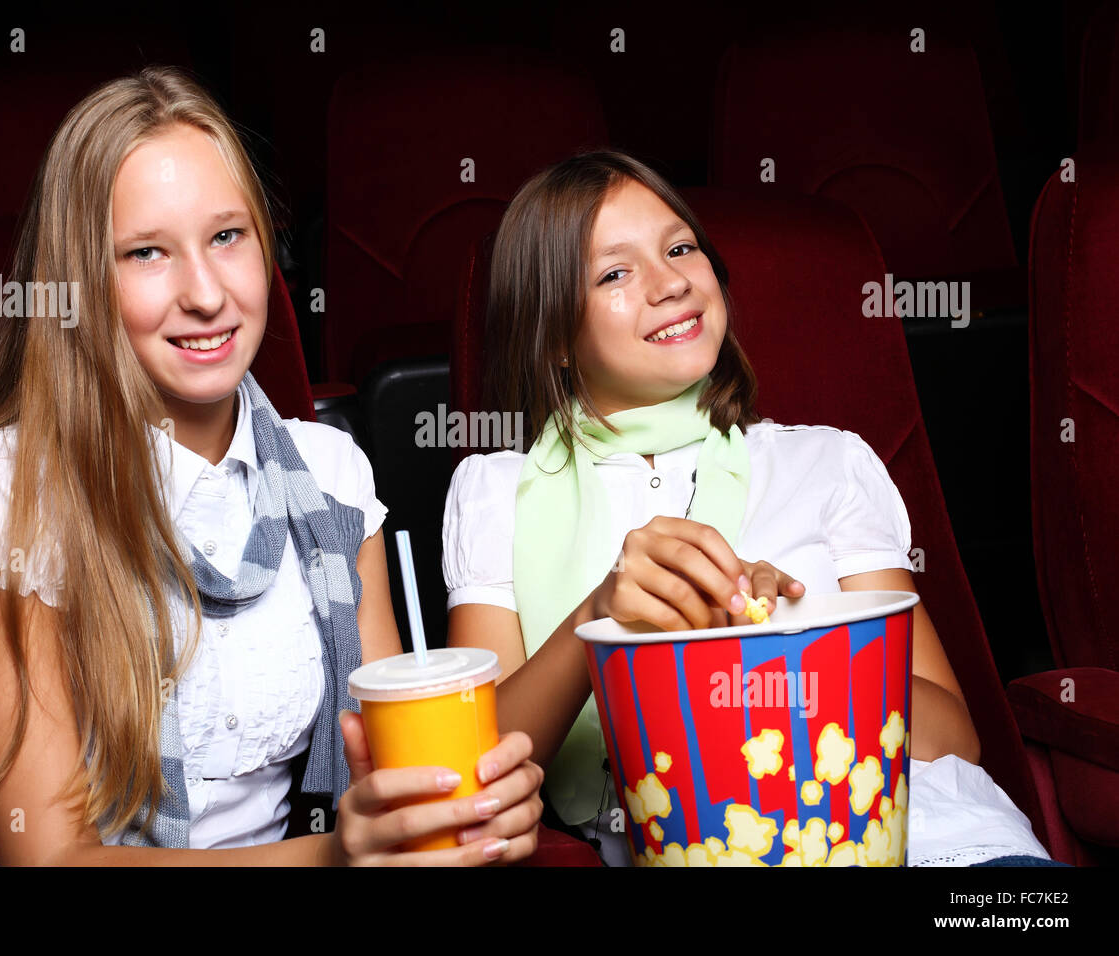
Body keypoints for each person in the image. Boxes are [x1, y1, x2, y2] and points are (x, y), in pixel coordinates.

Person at [0, 65, 542, 866]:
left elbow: (381, 773)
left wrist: (463, 816)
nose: (205, 293)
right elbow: (52, 858)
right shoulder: (5, 487)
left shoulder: (332, 474)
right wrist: (337, 857)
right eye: (146, 253)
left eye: (227, 236)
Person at [441, 150, 1055, 867]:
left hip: (941, 842)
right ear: (554, 339)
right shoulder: (495, 490)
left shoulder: (826, 461)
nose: (671, 282)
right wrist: (598, 617)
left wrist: (782, 645)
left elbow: (957, 735)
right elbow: (475, 775)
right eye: (615, 272)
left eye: (679, 248)